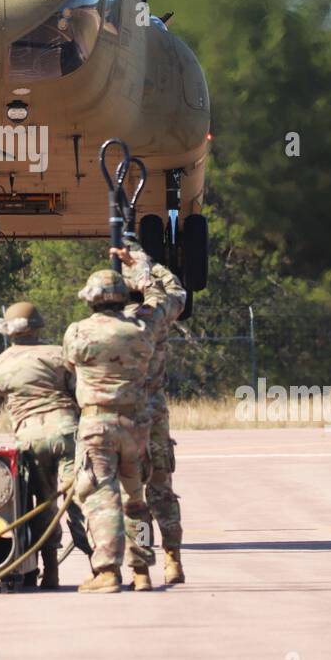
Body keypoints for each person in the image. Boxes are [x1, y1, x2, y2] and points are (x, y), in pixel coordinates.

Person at [63, 260, 185, 593]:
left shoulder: (77, 332)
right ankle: (142, 570)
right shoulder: (142, 329)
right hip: (137, 424)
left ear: (91, 299)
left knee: (102, 496)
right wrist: (145, 271)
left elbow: (69, 363)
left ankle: (107, 571)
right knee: (136, 499)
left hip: (97, 423)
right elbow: (165, 300)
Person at [0, 302, 79, 590]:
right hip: (69, 432)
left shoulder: (1, 365)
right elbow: (80, 392)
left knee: (43, 505)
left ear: (9, 333)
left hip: (31, 440)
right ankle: (101, 566)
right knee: (80, 498)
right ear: (39, 327)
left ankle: (50, 572)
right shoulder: (59, 355)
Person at [115, 244, 187, 588]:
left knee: (132, 496)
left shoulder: (107, 326)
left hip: (123, 417)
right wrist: (148, 267)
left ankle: (140, 570)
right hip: (154, 414)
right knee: (162, 488)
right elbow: (177, 292)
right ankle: (173, 559)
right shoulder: (155, 315)